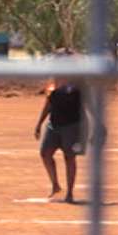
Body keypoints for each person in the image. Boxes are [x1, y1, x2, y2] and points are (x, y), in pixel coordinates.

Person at [34, 54, 100, 204]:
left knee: (69, 157)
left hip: (73, 125)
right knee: (45, 153)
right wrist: (39, 124)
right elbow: (49, 104)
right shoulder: (53, 82)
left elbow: (89, 103)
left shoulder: (80, 83)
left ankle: (70, 193)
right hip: (54, 124)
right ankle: (56, 185)